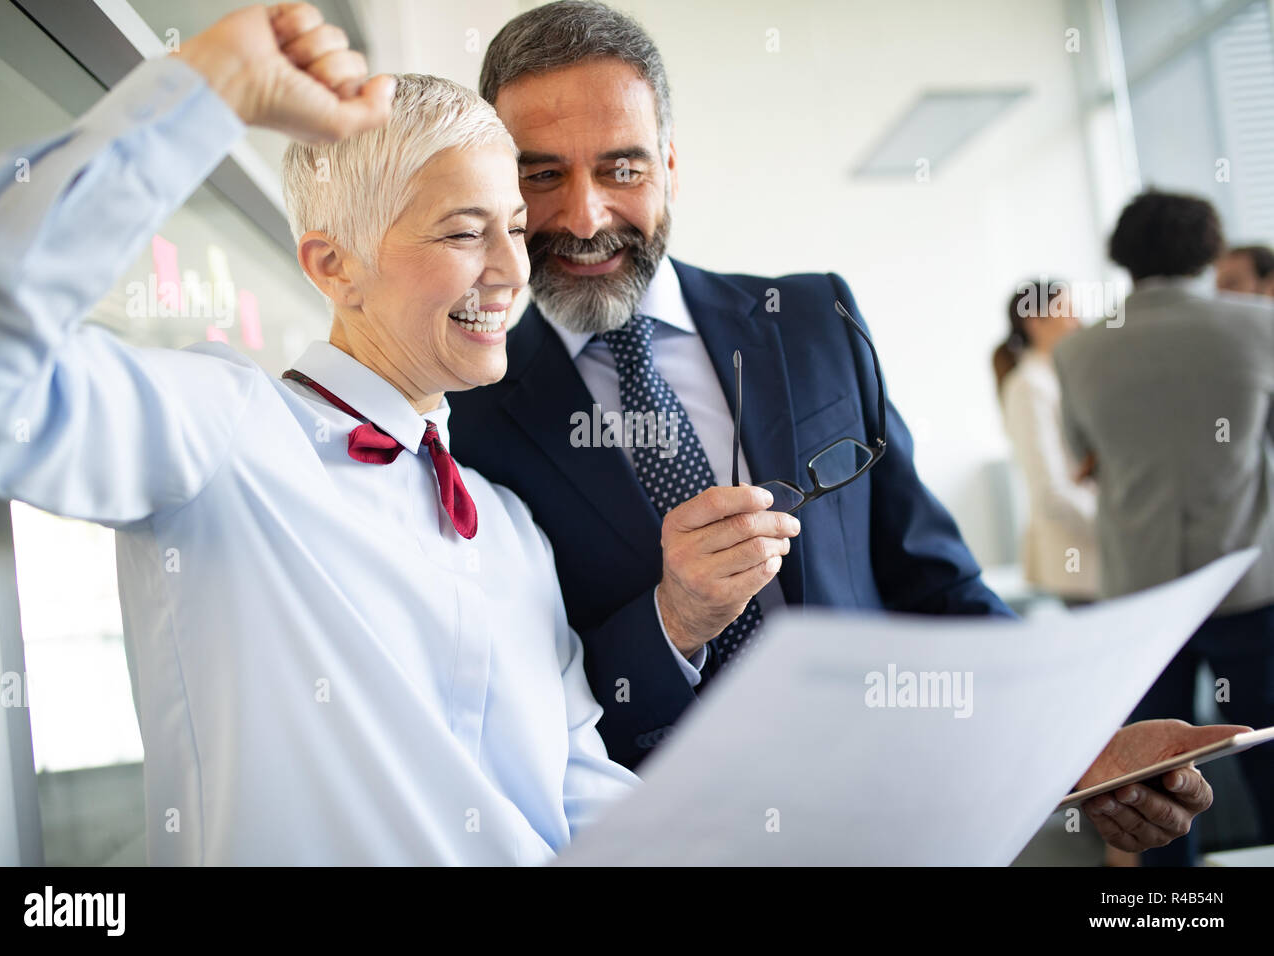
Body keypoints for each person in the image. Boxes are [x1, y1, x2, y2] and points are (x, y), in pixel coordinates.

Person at [448, 0, 1232, 854]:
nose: (587, 216)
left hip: (904, 823)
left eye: (623, 169)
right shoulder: (463, 413)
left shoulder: (813, 317)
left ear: (670, 166)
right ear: (497, 188)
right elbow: (508, 716)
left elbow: (933, 581)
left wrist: (1078, 750)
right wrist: (673, 619)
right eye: (543, 175)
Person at [0, 3, 635, 864]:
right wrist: (203, 91)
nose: (514, 270)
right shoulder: (228, 437)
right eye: (466, 232)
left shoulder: (510, 530)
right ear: (333, 266)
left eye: (513, 227)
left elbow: (579, 797)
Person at [1055, 189, 1274, 865]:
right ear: (1209, 249)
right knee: (1269, 759)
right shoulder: (1260, 325)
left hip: (1140, 593)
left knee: (1152, 789)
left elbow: (1081, 458)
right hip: (1250, 580)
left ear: (1123, 256)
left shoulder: (1080, 351)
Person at [994, 279, 1099, 603]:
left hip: (1096, 558)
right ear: (1036, 322)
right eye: (1067, 311)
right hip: (1080, 564)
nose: (1077, 321)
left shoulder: (1060, 378)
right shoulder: (1028, 387)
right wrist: (1118, 524)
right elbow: (1049, 492)